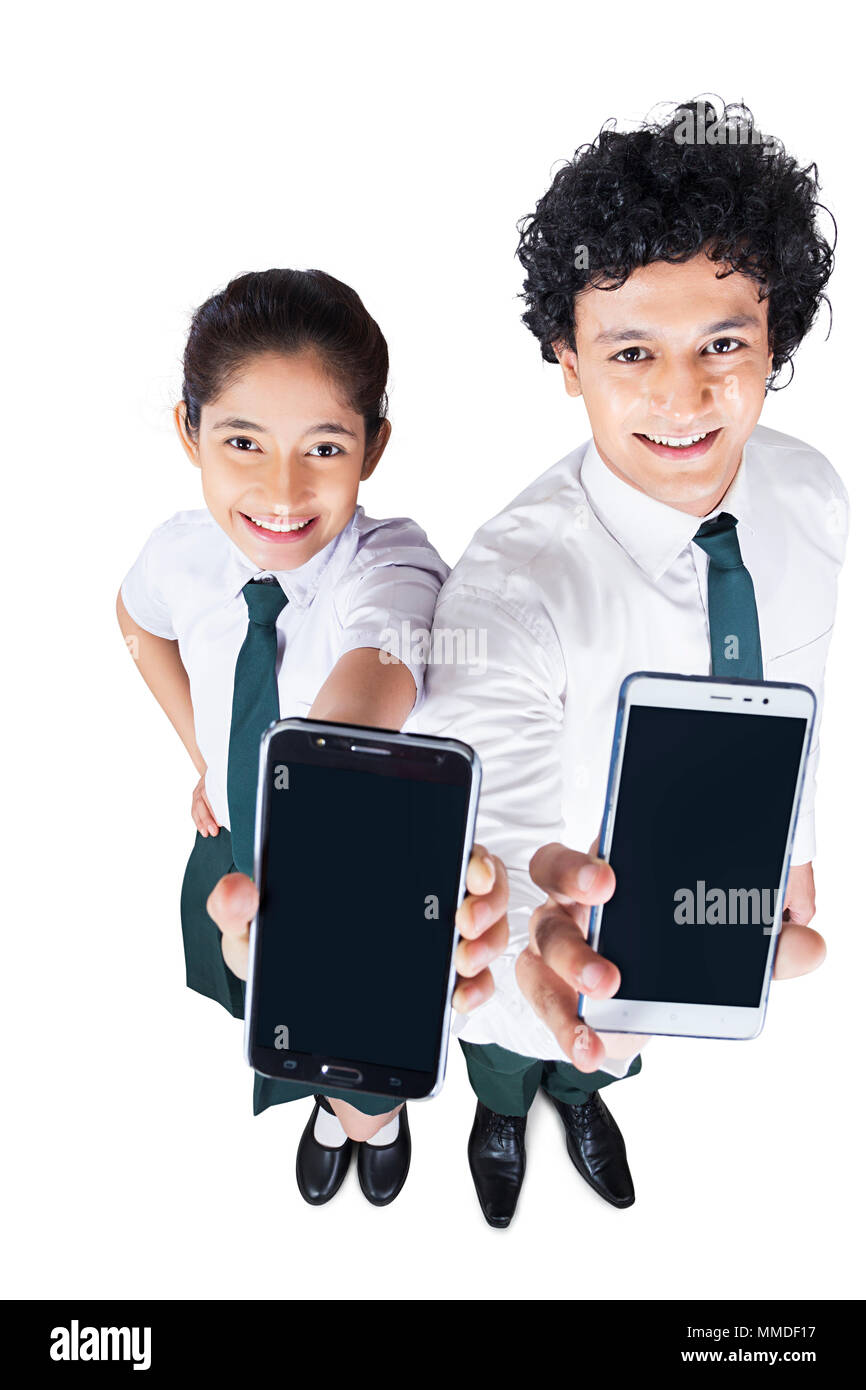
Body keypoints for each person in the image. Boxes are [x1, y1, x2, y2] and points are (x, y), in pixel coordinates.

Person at [411, 99, 848, 1226]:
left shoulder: (809, 495)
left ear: (774, 339)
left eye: (722, 344)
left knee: (612, 1058)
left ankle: (590, 1093)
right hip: (550, 956)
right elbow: (491, 845)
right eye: (628, 352)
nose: (682, 395)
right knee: (527, 1046)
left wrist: (781, 848)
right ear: (565, 360)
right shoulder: (509, 593)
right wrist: (530, 940)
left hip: (704, 918)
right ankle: (502, 1115)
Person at [117, 267, 508, 1208]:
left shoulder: (396, 564)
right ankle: (330, 1103)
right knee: (256, 992)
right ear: (188, 432)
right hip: (235, 844)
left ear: (373, 447)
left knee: (356, 1048)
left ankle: (363, 1120)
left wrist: (322, 787)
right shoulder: (183, 550)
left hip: (354, 856)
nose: (280, 491)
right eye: (242, 441)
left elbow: (377, 665)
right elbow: (136, 623)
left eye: (323, 447)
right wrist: (206, 755)